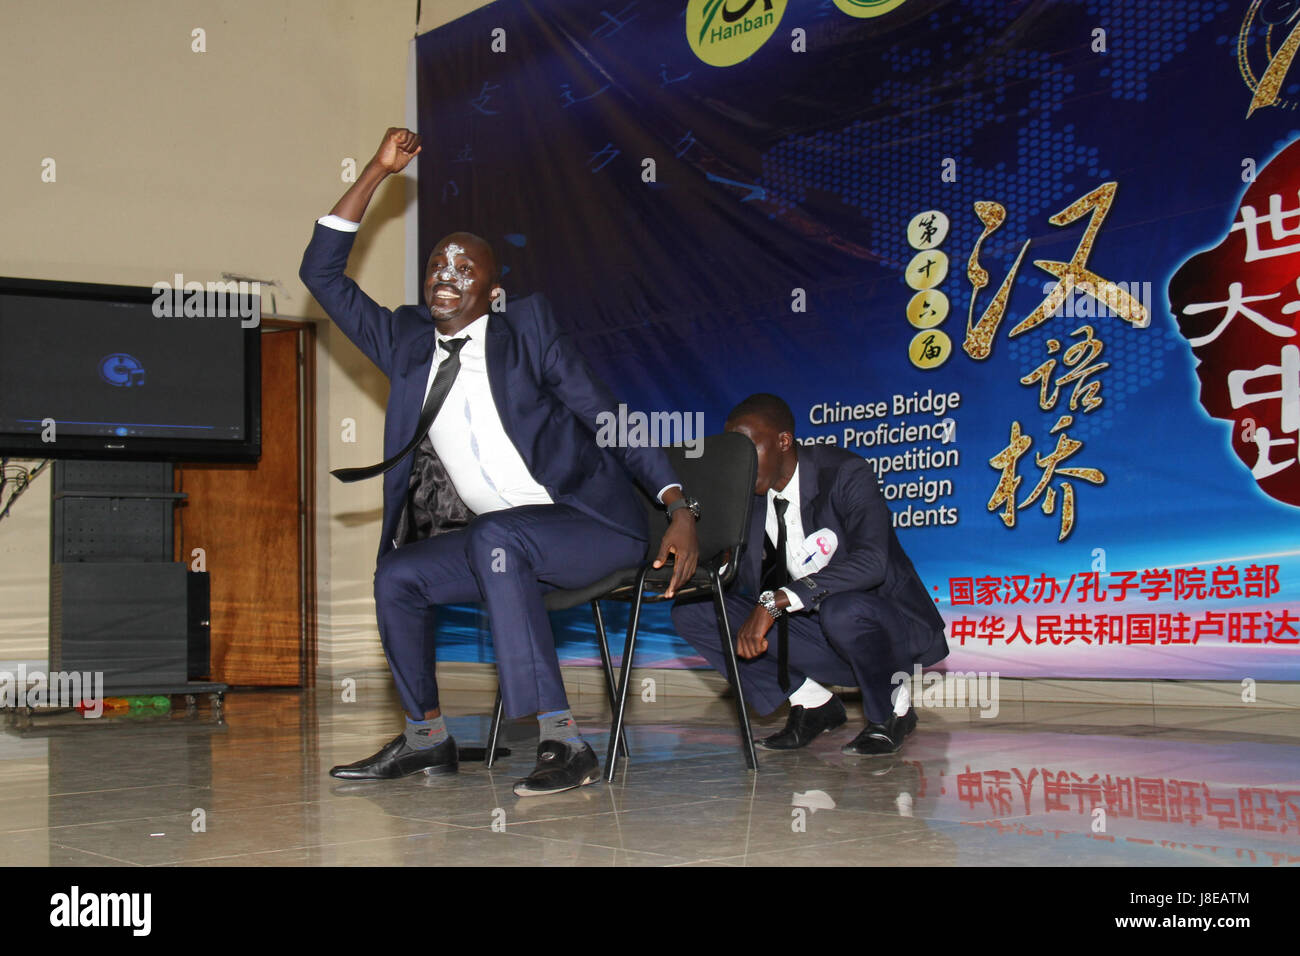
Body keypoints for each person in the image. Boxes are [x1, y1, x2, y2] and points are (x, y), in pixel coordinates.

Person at [300, 127, 700, 796]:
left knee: (495, 535)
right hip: (503, 545)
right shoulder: (403, 340)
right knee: (397, 574)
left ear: (491, 290)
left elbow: (611, 418)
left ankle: (562, 741)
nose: (445, 277)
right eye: (436, 266)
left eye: (464, 270)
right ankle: (427, 737)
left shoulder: (528, 334)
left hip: (588, 527)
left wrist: (677, 504)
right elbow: (319, 274)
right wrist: (375, 171)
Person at [672, 393, 947, 756]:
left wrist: (778, 600)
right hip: (815, 635)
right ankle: (813, 703)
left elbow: (873, 561)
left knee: (842, 609)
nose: (739, 463)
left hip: (884, 629)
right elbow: (740, 578)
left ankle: (893, 711)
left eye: (748, 448)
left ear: (783, 441)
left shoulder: (845, 472)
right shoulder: (746, 501)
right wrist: (690, 569)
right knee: (695, 611)